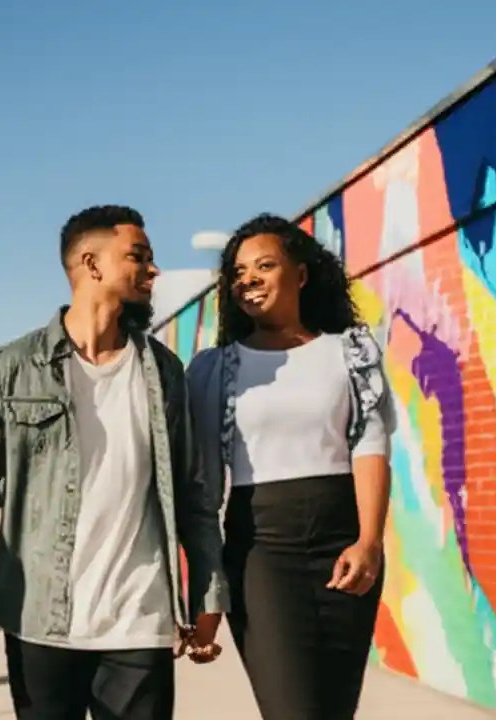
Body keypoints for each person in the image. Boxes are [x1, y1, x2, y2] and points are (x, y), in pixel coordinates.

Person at [0, 205, 229, 719]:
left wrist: (208, 592)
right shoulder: (12, 369)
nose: (153, 271)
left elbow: (193, 496)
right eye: (138, 257)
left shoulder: (162, 371)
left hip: (139, 619)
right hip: (37, 620)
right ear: (91, 265)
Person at [186, 213, 394, 719]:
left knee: (333, 710)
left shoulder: (351, 352)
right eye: (237, 272)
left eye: (264, 265)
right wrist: (204, 595)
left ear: (300, 275)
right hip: (261, 553)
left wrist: (369, 542)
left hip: (343, 541)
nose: (247, 279)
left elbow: (371, 444)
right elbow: (203, 491)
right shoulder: (214, 369)